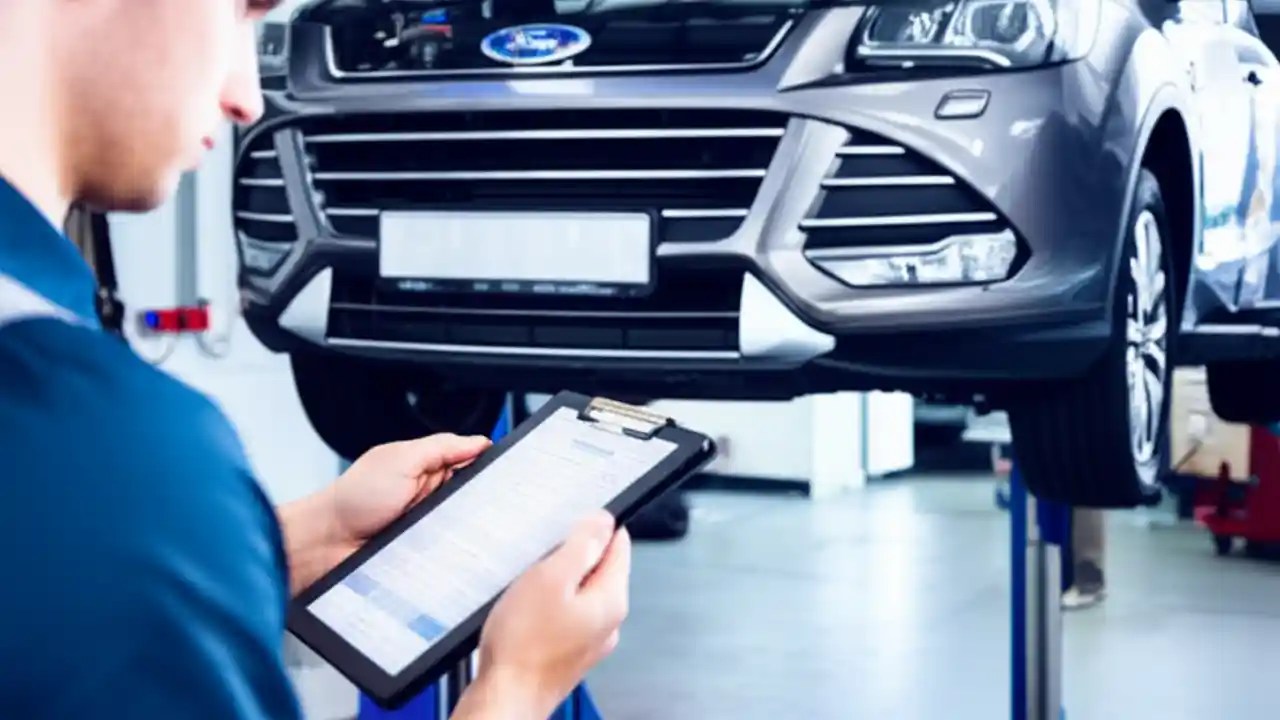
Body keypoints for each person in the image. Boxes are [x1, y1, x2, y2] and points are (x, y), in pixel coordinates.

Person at [0, 1, 632, 718]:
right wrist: (515, 687)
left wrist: (318, 530)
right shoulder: (94, 442)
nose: (245, 96)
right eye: (239, 12)